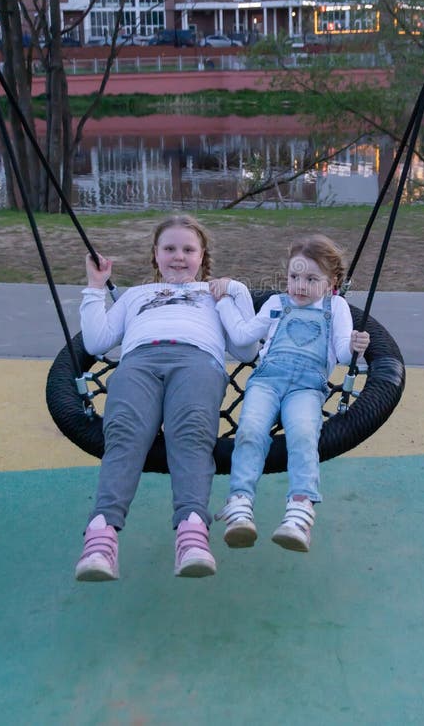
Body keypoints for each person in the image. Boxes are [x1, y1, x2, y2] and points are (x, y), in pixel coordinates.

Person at [74, 214, 258, 581]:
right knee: (124, 431)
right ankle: (101, 536)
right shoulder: (136, 295)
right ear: (155, 255)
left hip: (197, 361)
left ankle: (191, 534)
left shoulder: (216, 292)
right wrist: (96, 286)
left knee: (190, 432)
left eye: (188, 249)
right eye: (169, 248)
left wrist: (235, 292)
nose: (178, 256)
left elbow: (247, 349)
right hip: (139, 361)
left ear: (202, 256)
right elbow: (96, 341)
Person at [211, 234, 370, 553]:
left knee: (302, 436)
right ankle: (240, 505)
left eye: (311, 278)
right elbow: (243, 334)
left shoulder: (335, 307)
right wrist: (223, 300)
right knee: (251, 432)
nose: (299, 285)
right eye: (294, 277)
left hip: (307, 387)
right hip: (266, 380)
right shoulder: (275, 304)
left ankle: (300, 511)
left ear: (332, 281)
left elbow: (340, 353)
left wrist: (355, 346)